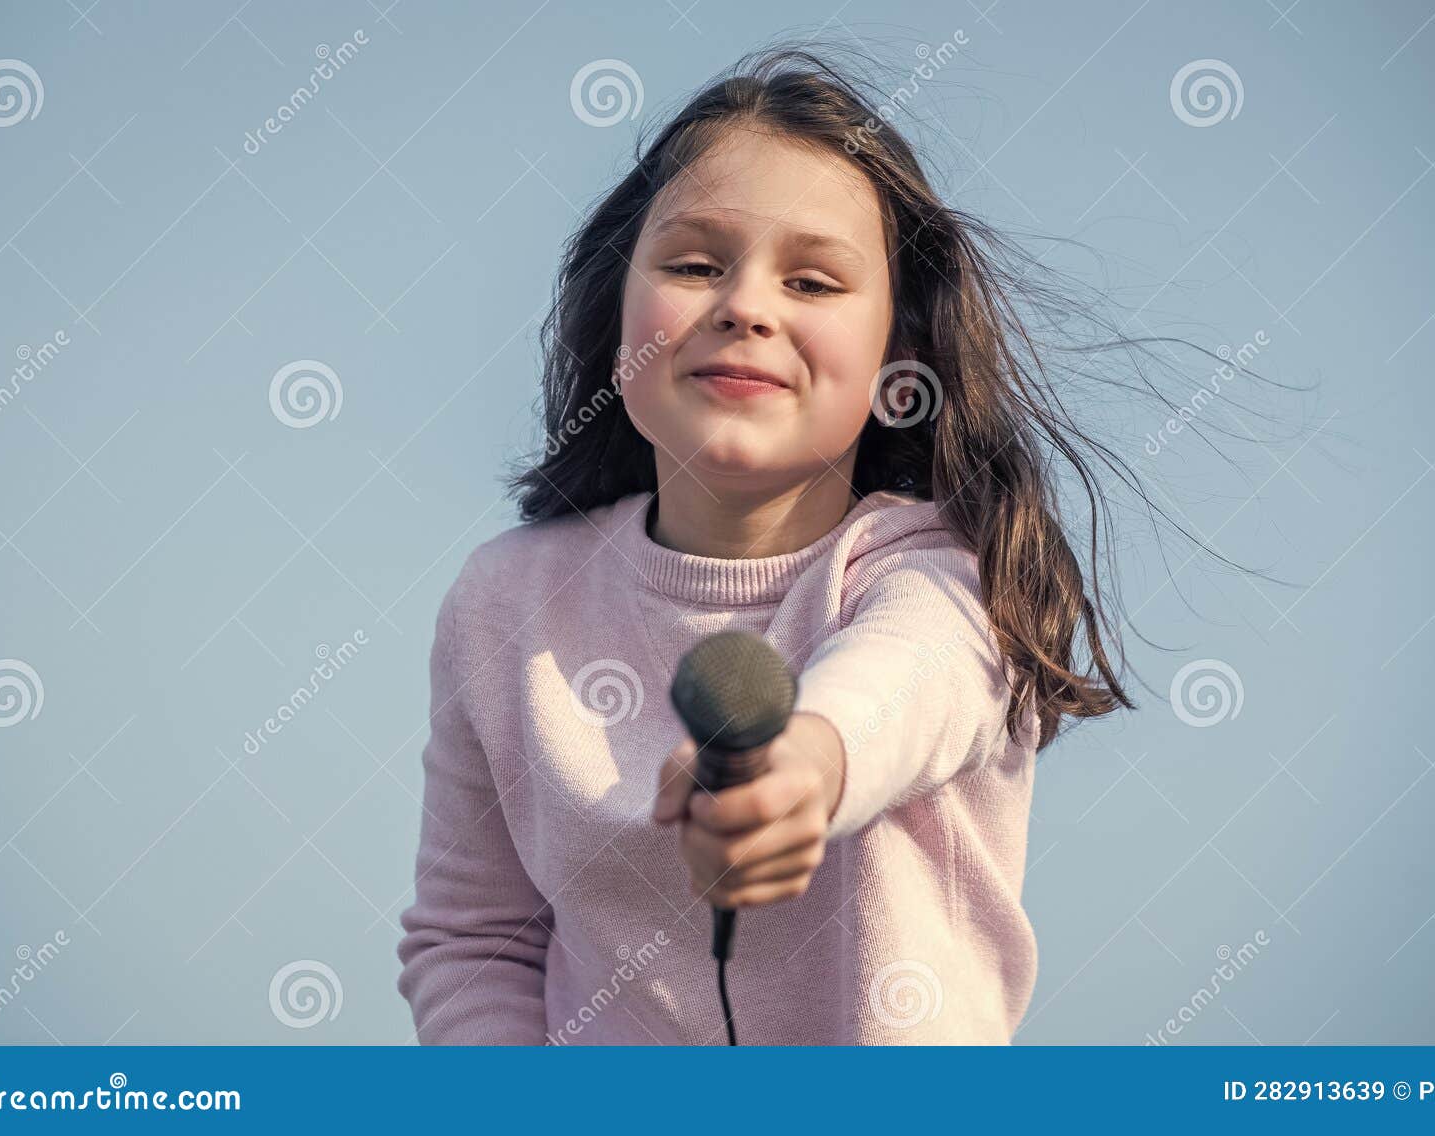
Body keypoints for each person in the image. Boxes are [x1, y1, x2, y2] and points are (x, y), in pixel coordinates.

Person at [396, 44, 1165, 1045]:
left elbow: (903, 683)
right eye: (694, 264)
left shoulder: (946, 576)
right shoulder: (505, 600)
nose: (746, 305)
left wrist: (803, 765)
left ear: (901, 360)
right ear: (616, 312)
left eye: (811, 281)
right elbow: (474, 941)